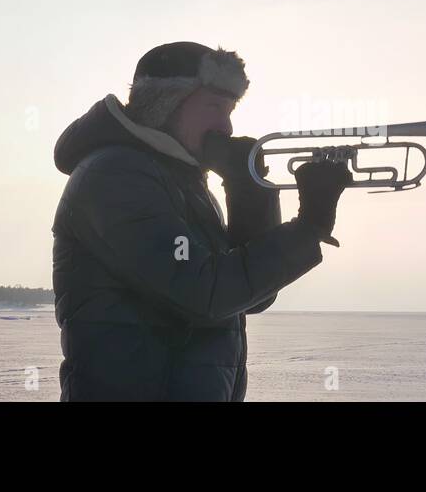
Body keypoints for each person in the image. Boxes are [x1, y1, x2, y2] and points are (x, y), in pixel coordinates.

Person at [51, 41, 350, 401]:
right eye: (214, 107)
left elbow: (250, 299)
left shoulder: (182, 183)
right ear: (164, 104)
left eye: (230, 109)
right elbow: (204, 294)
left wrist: (248, 189)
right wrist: (309, 227)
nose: (226, 126)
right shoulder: (115, 174)